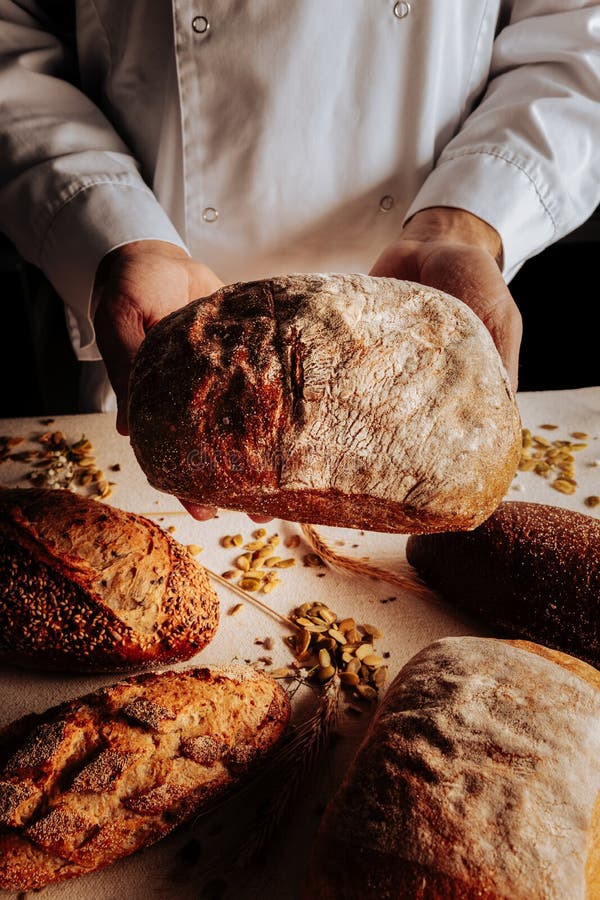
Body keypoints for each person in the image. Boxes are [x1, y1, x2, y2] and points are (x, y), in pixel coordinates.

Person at [1, 1, 599, 520]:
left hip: (422, 364)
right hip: (161, 327)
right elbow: (10, 37)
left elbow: (579, 40)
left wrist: (466, 219)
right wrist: (113, 226)